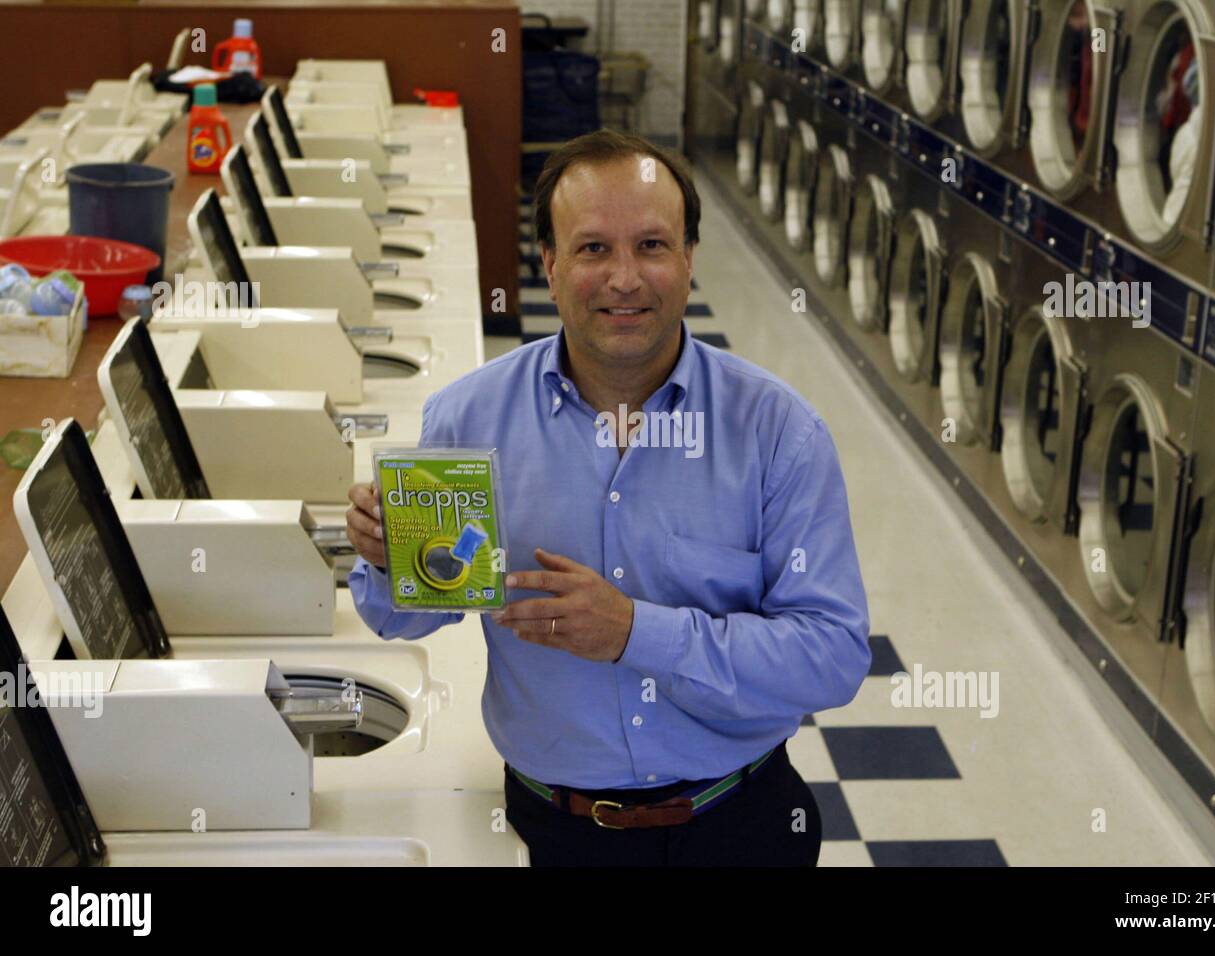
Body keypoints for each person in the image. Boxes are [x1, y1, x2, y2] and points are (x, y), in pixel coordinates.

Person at [346, 129, 872, 866]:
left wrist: (633, 631)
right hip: (556, 834)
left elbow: (833, 656)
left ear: (689, 259)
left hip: (738, 824)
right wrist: (384, 555)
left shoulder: (776, 431)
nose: (625, 278)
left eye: (652, 246)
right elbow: (408, 615)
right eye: (593, 249)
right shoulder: (470, 419)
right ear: (550, 266)